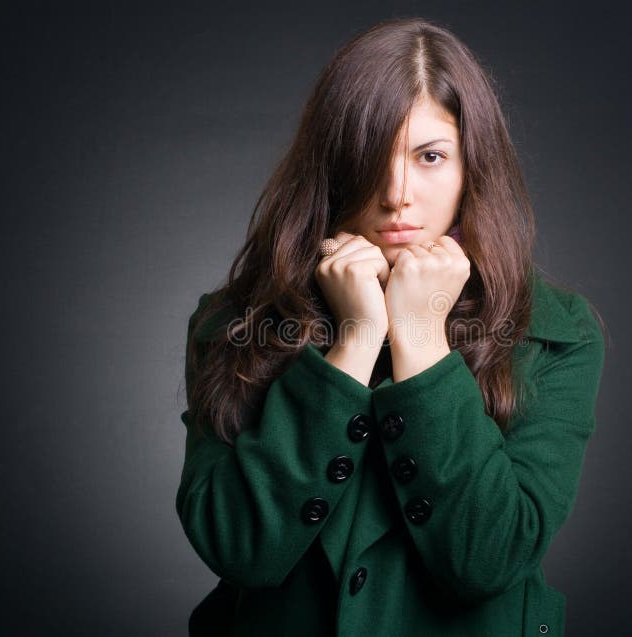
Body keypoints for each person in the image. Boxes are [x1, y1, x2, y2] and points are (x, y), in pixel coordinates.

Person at [176, 16, 606, 637]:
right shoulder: (233, 324)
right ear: (331, 165)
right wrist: (352, 342)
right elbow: (239, 546)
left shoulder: (556, 333)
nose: (396, 191)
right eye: (369, 154)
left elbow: (490, 558)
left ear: (470, 167)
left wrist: (422, 339)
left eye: (430, 156)